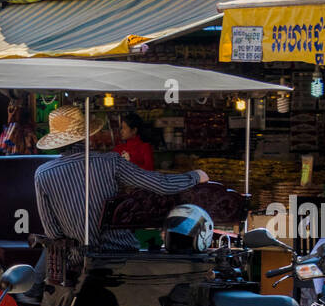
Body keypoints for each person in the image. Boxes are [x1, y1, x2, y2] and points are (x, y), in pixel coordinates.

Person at [34, 104, 207, 255]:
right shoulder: (110, 161)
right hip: (121, 254)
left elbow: (53, 232)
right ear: (87, 135)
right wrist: (195, 176)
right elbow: (160, 185)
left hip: (77, 260)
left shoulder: (42, 173)